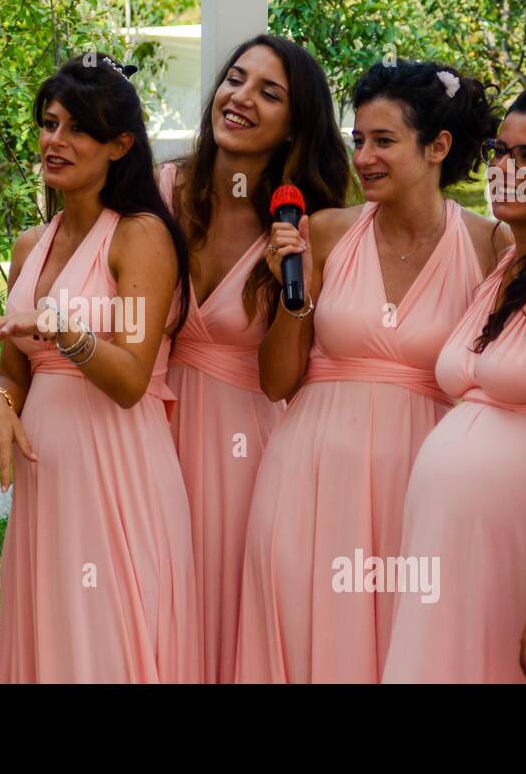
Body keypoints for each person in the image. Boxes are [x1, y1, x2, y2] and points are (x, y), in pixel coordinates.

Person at [237, 60, 507, 683]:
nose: (363, 157)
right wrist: (291, 297)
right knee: (306, 646)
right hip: (307, 479)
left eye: (383, 141)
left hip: (423, 487)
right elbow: (276, 382)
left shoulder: (491, 247)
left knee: (404, 651)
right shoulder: (326, 233)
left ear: (438, 146)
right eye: (358, 140)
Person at [0, 53, 199, 682]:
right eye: (49, 123)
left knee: (111, 642)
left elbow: (129, 379)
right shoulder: (29, 245)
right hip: (49, 477)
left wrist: (61, 328)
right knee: (55, 638)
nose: (55, 141)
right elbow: (16, 373)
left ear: (120, 144)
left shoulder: (141, 236)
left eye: (77, 129)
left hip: (117, 469)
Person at [382, 89, 526, 683]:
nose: (504, 170)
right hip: (443, 547)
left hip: (520, 548)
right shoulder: (504, 266)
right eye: (498, 151)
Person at [160, 34, 351, 682]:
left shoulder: (309, 225)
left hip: (251, 450)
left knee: (232, 619)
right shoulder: (161, 193)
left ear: (296, 124)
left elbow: (287, 379)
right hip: (148, 434)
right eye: (235, 79)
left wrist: (293, 290)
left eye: (269, 92)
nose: (240, 97)